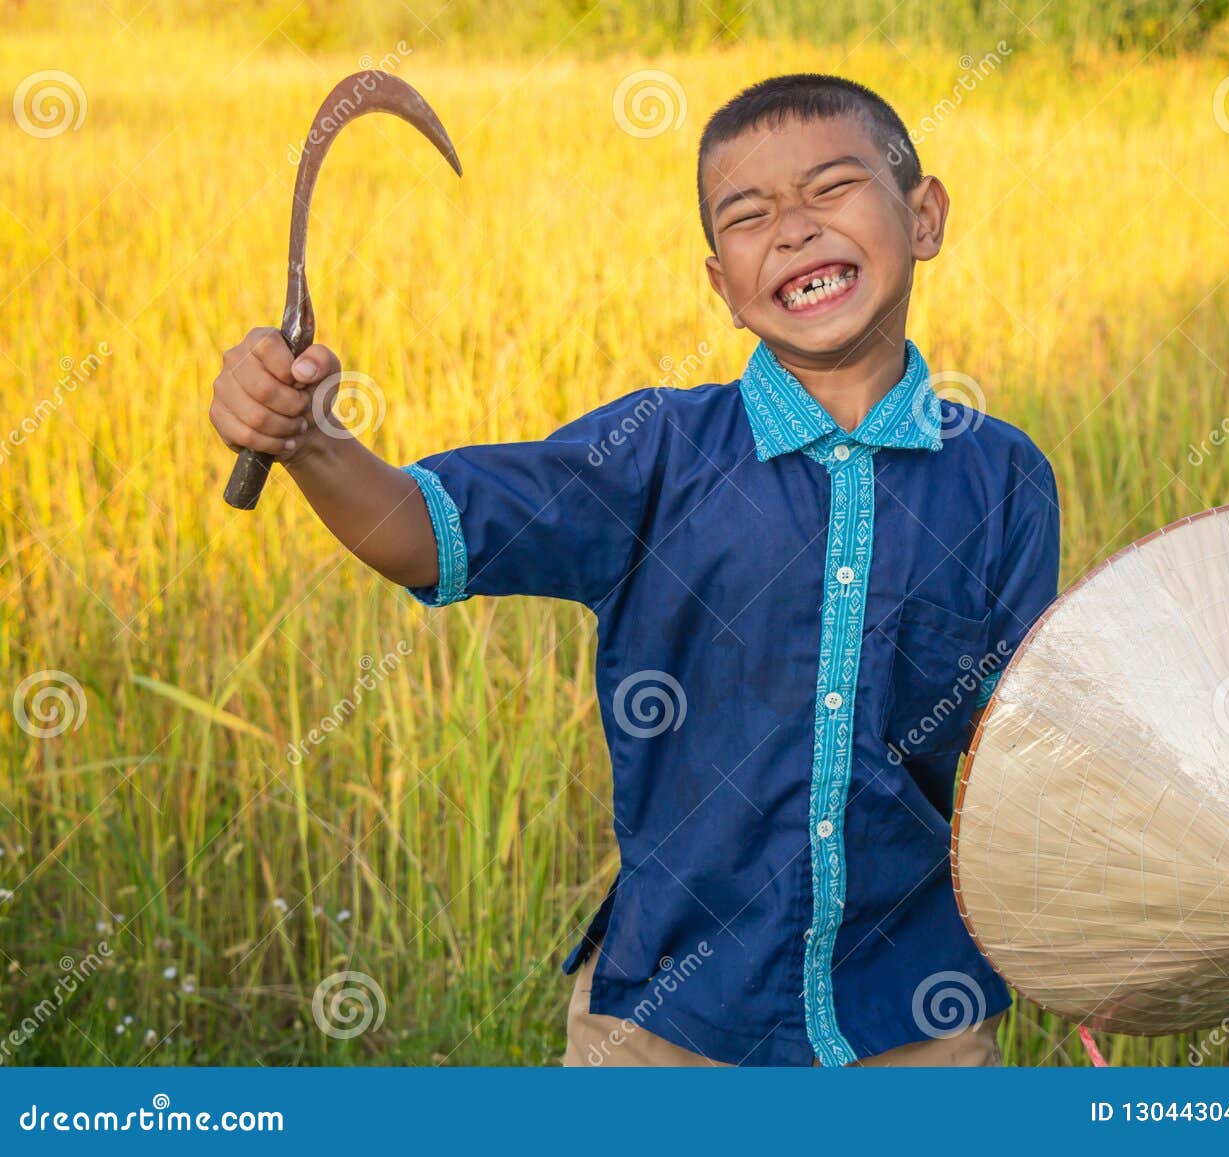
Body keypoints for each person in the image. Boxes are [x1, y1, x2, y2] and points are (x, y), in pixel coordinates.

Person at [209, 72, 1060, 1066]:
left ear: (923, 216)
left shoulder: (1004, 478)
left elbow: (1020, 751)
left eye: (830, 187)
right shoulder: (655, 451)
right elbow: (433, 532)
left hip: (917, 1019)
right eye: (748, 215)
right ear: (722, 285)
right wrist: (311, 443)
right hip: (664, 1022)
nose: (791, 227)